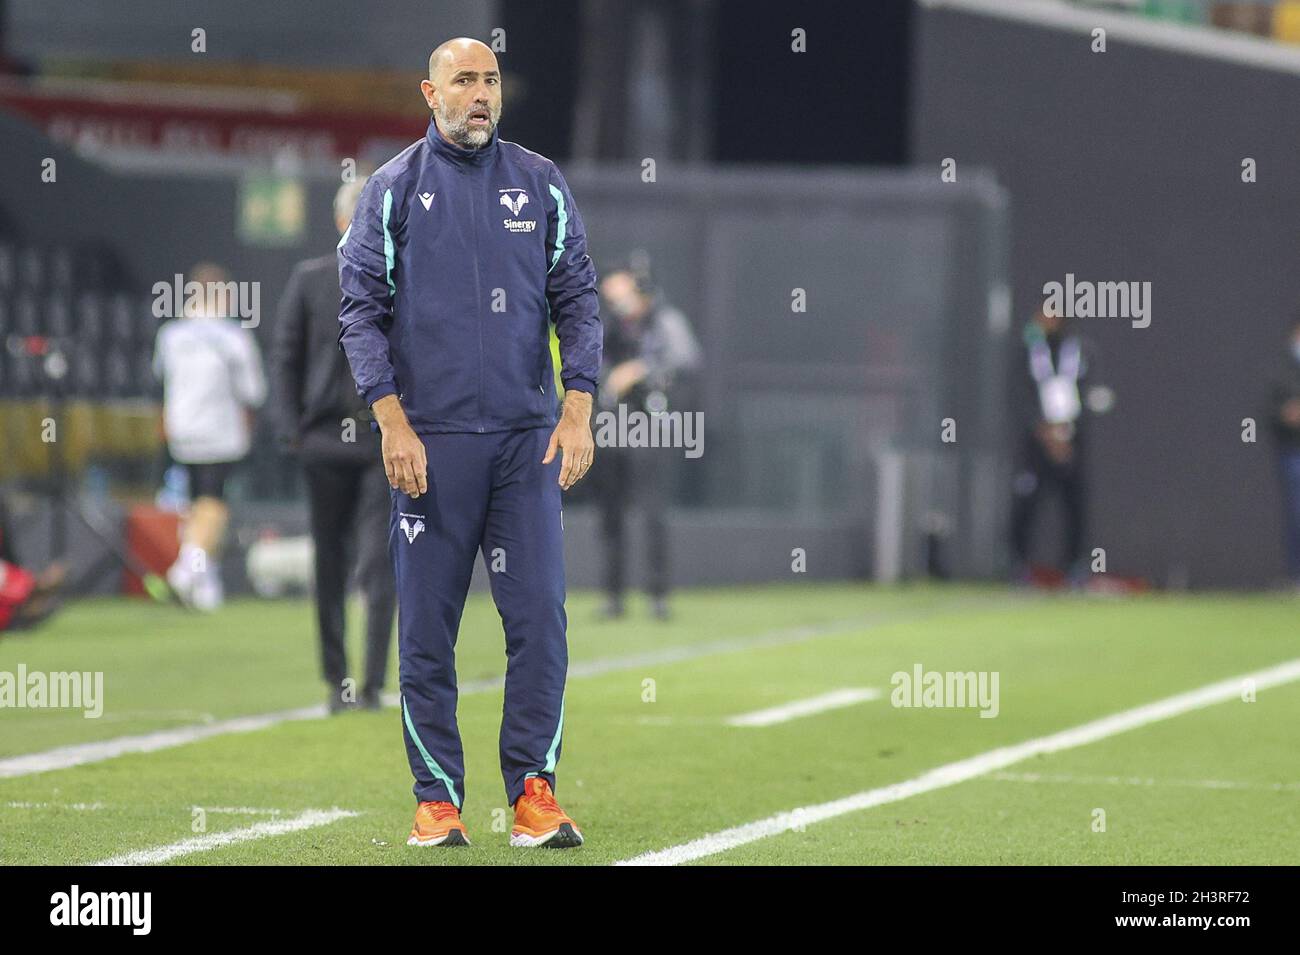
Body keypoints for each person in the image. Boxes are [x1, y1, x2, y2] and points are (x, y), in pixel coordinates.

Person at [338, 38, 601, 849]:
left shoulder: (541, 183)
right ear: (431, 92)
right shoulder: (391, 190)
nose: (480, 93)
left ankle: (533, 793)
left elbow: (578, 299)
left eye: (489, 80)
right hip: (431, 446)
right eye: (464, 80)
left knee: (541, 625)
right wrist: (391, 420)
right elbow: (358, 311)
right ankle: (437, 799)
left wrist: (578, 407)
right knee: (426, 629)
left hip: (526, 446)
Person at [273, 180, 397, 713]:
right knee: (330, 561)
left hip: (380, 438)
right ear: (345, 221)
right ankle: (338, 682)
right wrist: (290, 429)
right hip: (324, 440)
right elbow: (285, 357)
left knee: (379, 561)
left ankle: (371, 683)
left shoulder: (400, 280)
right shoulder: (310, 280)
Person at [153, 263, 267, 610]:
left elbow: (160, 377)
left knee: (194, 507)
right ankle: (186, 570)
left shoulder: (170, 335)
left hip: (182, 430)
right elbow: (254, 391)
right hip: (220, 431)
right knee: (213, 504)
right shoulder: (235, 337)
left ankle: (205, 582)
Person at [594, 259, 701, 619]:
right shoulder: (610, 324)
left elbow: (685, 358)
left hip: (649, 425)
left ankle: (657, 594)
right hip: (613, 424)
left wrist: (639, 370)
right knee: (611, 512)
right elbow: (593, 361)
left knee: (652, 510)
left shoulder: (664, 321)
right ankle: (614, 596)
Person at [1009, 305, 1091, 585]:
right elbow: (1020, 394)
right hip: (1037, 443)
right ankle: (1018, 566)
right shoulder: (1028, 351)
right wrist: (1044, 430)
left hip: (1070, 442)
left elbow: (1088, 394)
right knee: (1026, 503)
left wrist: (1065, 433)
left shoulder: (1079, 350)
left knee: (1074, 507)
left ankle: (1075, 567)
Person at [1270, 314, 1300, 587]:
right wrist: (1286, 414)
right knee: (1297, 515)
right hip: (1293, 450)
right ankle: (1297, 578)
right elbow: (1268, 409)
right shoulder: (1281, 371)